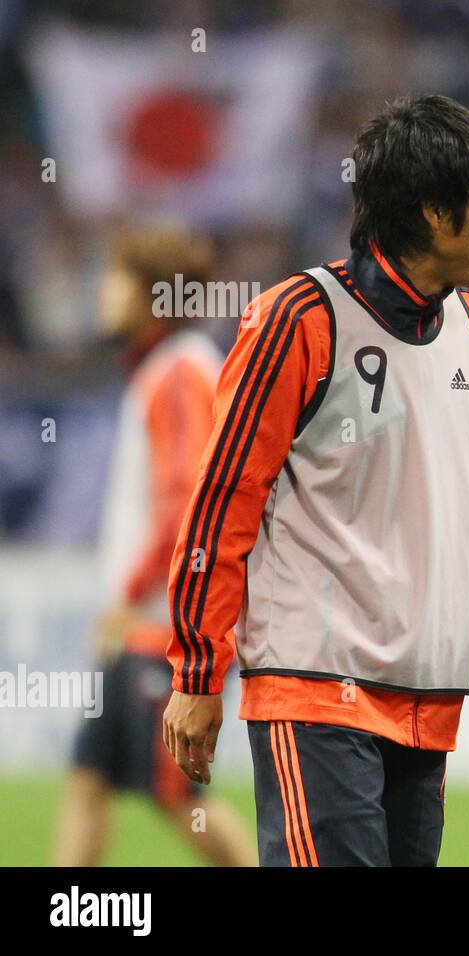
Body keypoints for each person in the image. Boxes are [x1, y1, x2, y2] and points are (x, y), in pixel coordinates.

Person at [161, 95, 469, 866]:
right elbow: (222, 503)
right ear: (435, 213)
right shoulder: (298, 319)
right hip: (314, 684)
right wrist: (199, 668)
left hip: (427, 696)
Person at [53, 225, 257, 866]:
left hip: (163, 627)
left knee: (178, 794)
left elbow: (183, 505)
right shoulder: (175, 367)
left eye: (115, 279)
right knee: (88, 781)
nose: (103, 292)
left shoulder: (175, 372)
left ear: (150, 292)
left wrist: (128, 595)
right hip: (146, 626)